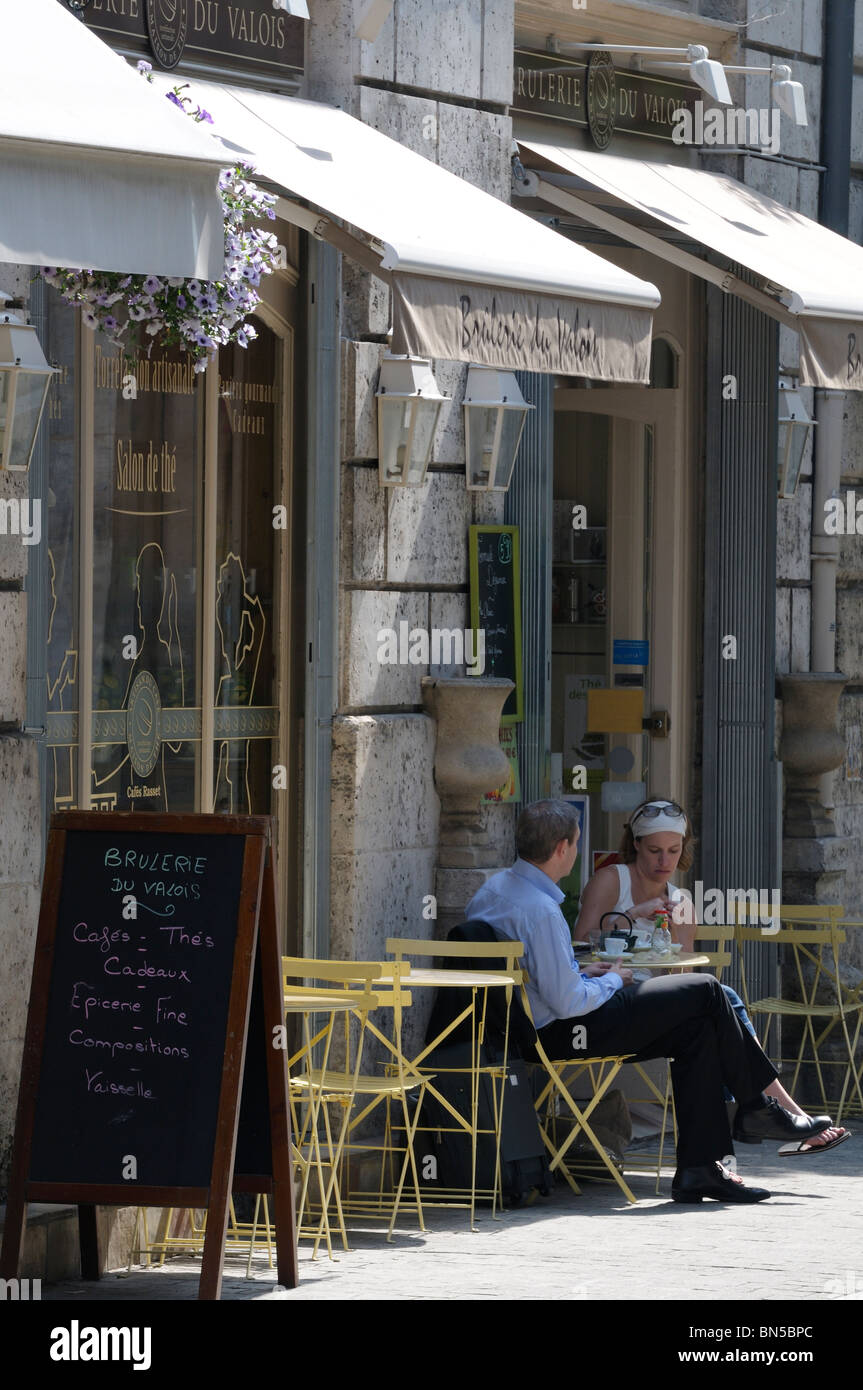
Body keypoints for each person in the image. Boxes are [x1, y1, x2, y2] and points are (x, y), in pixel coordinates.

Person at [464, 799, 837, 1203]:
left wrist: (589, 974)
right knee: (708, 990)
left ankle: (702, 1167)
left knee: (698, 1028)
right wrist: (612, 980)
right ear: (561, 849)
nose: (574, 852)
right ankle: (753, 1107)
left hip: (530, 1028)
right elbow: (569, 1002)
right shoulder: (541, 909)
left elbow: (549, 979)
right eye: (574, 844)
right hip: (561, 1032)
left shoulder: (494, 889)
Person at [574, 797, 849, 1157]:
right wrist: (632, 913)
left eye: (673, 851)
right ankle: (775, 1114)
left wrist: (675, 933)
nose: (664, 862)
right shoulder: (612, 879)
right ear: (636, 844)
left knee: (719, 1008)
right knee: (725, 1000)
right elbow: (579, 943)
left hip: (653, 1006)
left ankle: (769, 1117)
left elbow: (683, 975)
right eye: (655, 850)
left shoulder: (681, 900)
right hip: (606, 998)